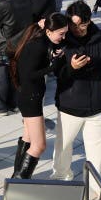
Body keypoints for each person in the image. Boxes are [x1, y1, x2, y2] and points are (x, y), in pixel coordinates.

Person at [51, 1, 101, 199]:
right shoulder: (62, 40)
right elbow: (57, 73)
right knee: (63, 148)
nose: (77, 29)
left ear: (89, 21)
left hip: (96, 107)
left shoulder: (99, 37)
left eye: (81, 25)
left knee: (99, 152)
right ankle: (60, 180)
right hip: (69, 106)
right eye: (73, 25)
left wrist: (93, 61)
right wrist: (72, 67)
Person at [9, 12, 70, 179]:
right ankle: (18, 183)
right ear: (49, 31)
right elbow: (29, 74)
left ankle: (16, 178)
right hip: (30, 98)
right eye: (61, 34)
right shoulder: (38, 46)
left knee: (28, 137)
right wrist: (54, 66)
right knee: (39, 145)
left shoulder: (41, 40)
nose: (63, 37)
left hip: (28, 95)